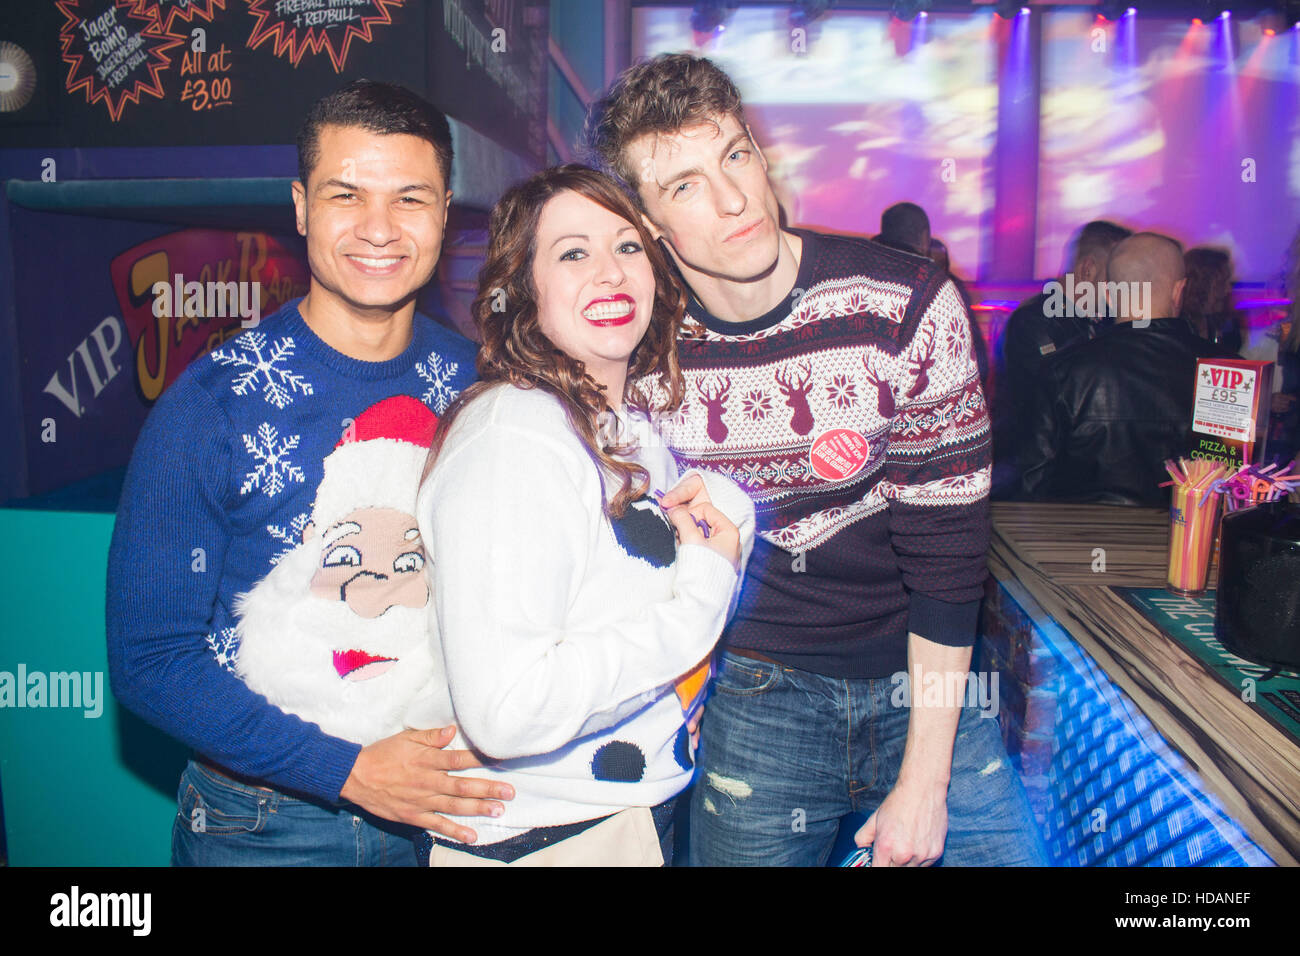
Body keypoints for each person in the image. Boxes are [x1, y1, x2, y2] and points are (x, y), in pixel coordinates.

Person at [585, 53, 1046, 867]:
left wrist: (925, 782)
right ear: (646, 223)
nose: (732, 200)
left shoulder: (903, 305)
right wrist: (680, 679)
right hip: (760, 693)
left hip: (922, 678)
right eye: (684, 185)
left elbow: (948, 563)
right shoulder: (638, 350)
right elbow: (632, 549)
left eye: (734, 155)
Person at [106, 80, 512, 866]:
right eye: (346, 194)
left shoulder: (482, 389)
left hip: (444, 811)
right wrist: (349, 772)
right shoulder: (213, 404)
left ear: (446, 211)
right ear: (300, 207)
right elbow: (150, 660)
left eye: (410, 199)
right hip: (265, 827)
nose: (379, 229)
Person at [416, 164, 755, 866]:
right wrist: (701, 599)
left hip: (625, 819)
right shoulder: (514, 437)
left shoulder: (616, 425)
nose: (611, 272)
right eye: (573, 253)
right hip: (550, 844)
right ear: (521, 290)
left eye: (628, 247)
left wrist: (726, 515)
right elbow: (509, 709)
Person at [1019, 232, 1231, 506]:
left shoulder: (1063, 371)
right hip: (1188, 544)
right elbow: (1235, 489)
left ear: (1108, 294)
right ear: (1179, 291)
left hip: (1081, 542)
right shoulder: (1230, 371)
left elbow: (1034, 484)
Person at [991, 220, 1132, 498]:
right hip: (1026, 484)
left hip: (1060, 478)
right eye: (1116, 278)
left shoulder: (1099, 320)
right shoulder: (1035, 320)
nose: (1123, 289)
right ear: (1088, 269)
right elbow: (1047, 403)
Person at [1180, 246, 1242, 352]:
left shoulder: (1221, 322)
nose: (1228, 289)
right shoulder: (1179, 327)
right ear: (1202, 285)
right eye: (1222, 283)